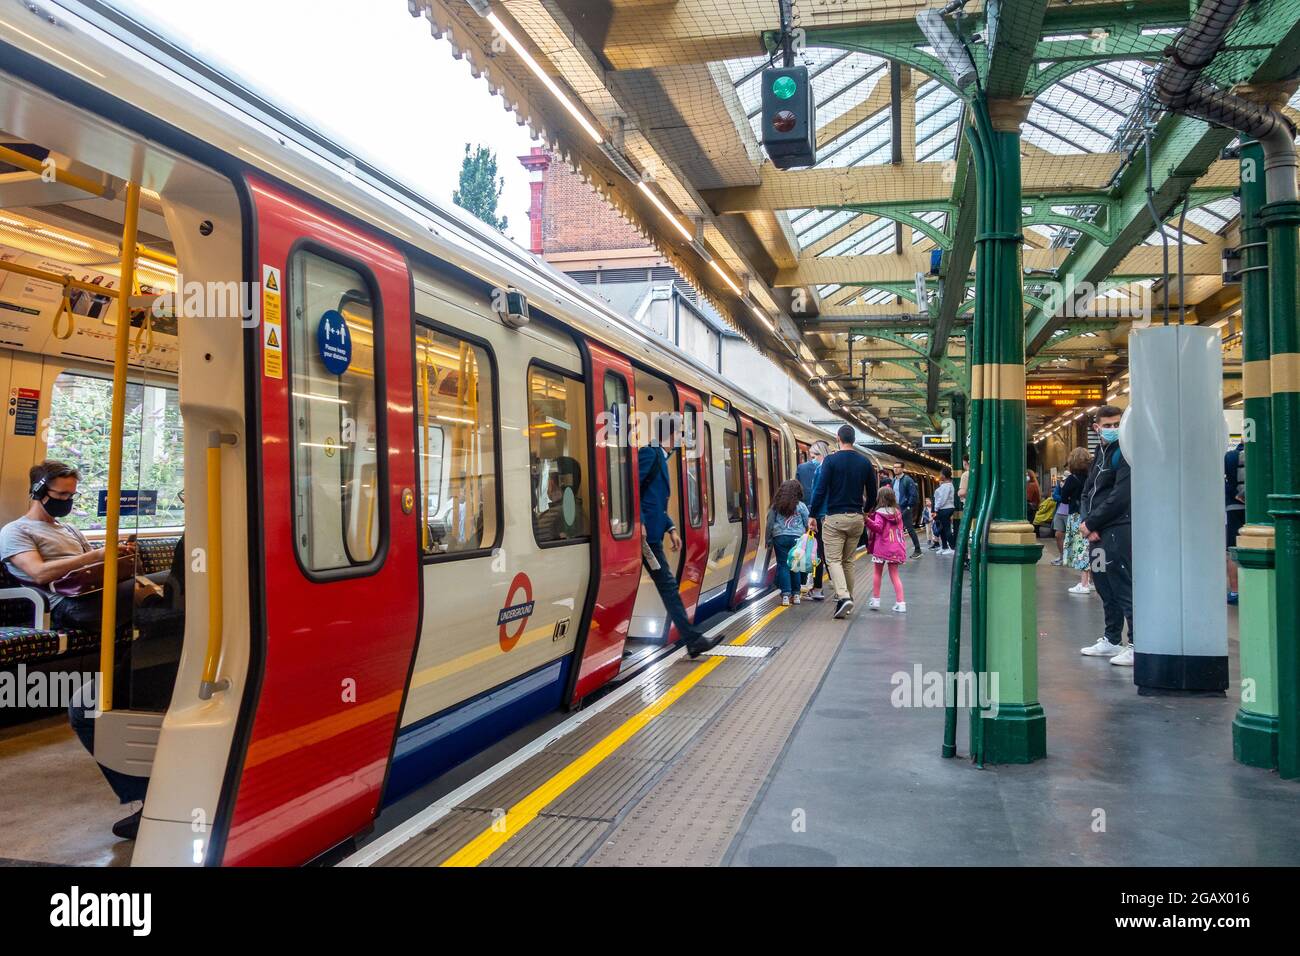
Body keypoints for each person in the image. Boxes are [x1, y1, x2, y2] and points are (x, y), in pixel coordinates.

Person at [0, 460, 148, 838]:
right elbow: (39, 574)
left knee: (156, 586)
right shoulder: (15, 532)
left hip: (94, 594)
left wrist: (116, 555)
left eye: (71, 495)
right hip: (64, 607)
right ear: (38, 492)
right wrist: (96, 556)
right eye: (60, 495)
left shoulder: (68, 528)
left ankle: (145, 658)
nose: (66, 501)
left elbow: (93, 571)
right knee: (154, 594)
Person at [639, 439, 720, 658]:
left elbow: (655, 502)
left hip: (652, 536)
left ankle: (693, 640)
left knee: (668, 587)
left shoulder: (661, 458)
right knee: (668, 587)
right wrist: (639, 522)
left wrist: (671, 528)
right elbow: (633, 490)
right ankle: (693, 640)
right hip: (644, 539)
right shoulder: (649, 454)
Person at [1079, 407, 1134, 666]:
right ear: (1096, 427)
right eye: (1108, 424)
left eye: (1117, 423)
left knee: (1123, 583)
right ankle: (1112, 638)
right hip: (1097, 533)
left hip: (1117, 529)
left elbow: (1121, 496)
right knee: (1103, 584)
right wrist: (1087, 523)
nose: (1113, 428)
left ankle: (1136, 641)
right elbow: (1087, 492)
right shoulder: (1099, 454)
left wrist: (1091, 521)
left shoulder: (1125, 452)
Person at [809, 423, 877, 619]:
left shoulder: (830, 461)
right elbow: (872, 493)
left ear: (838, 439)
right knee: (848, 561)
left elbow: (820, 490)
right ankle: (847, 600)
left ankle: (844, 596)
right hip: (856, 518)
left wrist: (813, 515)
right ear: (854, 440)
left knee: (833, 560)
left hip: (835, 518)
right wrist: (866, 511)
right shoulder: (865, 462)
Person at [766, 479, 815, 607]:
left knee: (783, 565)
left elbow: (770, 523)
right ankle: (797, 595)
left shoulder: (776, 506)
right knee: (795, 566)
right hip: (797, 539)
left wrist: (768, 540)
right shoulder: (801, 506)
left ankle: (786, 596)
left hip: (780, 538)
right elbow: (807, 522)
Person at [865, 485, 908, 612]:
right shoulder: (898, 513)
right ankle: (901, 603)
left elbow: (878, 528)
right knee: (895, 575)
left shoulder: (880, 513)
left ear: (880, 498)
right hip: (896, 548)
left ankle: (876, 600)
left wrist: (867, 520)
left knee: (877, 573)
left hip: (882, 548)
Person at [795, 440, 829, 600]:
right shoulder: (831, 467)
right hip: (826, 515)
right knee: (824, 553)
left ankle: (802, 584)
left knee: (807, 549)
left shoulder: (802, 468)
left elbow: (798, 492)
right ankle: (820, 587)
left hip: (808, 515)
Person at [1058, 447, 1094, 594]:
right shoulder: (1091, 477)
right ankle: (1091, 581)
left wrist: (1063, 488)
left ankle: (1083, 583)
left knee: (1080, 548)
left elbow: (1063, 499)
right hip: (1091, 515)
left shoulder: (1071, 479)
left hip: (1077, 516)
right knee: (1090, 547)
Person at [1225, 440, 1245, 605]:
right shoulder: (1261, 454)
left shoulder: (1229, 456)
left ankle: (1234, 591)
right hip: (1256, 507)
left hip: (1232, 507)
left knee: (1232, 550)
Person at [890, 462, 923, 559]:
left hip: (905, 508)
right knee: (896, 530)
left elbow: (914, 495)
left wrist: (909, 507)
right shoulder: (893, 481)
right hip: (895, 508)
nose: (895, 469)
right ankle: (896, 551)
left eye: (897, 467)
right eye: (894, 467)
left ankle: (918, 550)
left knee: (909, 529)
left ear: (902, 469)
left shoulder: (908, 480)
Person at [932, 466, 956, 555]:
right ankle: (944, 546)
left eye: (941, 474)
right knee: (942, 529)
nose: (940, 475)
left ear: (944, 476)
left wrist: (936, 508)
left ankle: (952, 547)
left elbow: (942, 499)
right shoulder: (947, 485)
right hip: (945, 508)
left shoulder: (946, 486)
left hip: (945, 509)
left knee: (946, 528)